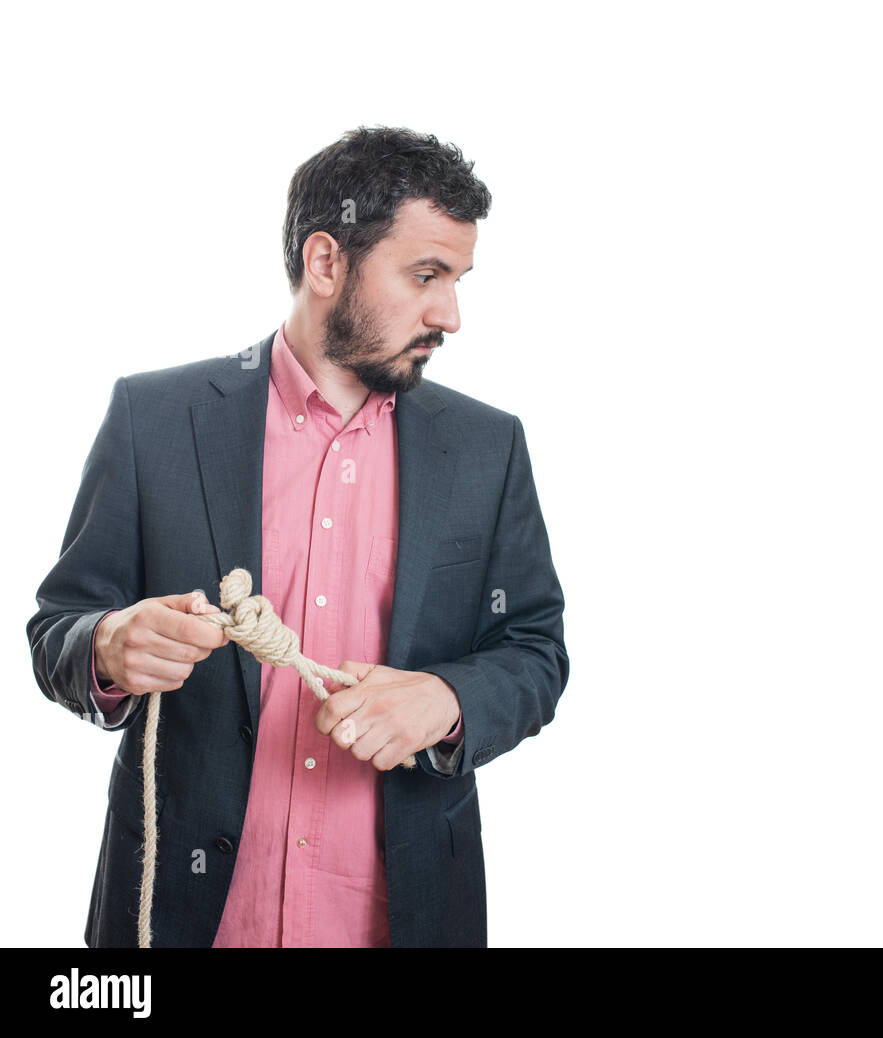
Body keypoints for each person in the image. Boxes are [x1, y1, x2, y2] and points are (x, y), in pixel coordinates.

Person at [26, 126, 569, 948]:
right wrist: (106, 646)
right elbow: (57, 629)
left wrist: (449, 700)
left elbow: (535, 651)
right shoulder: (157, 420)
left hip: (404, 916)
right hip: (187, 919)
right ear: (326, 263)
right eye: (426, 276)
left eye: (457, 280)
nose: (450, 315)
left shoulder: (487, 448)